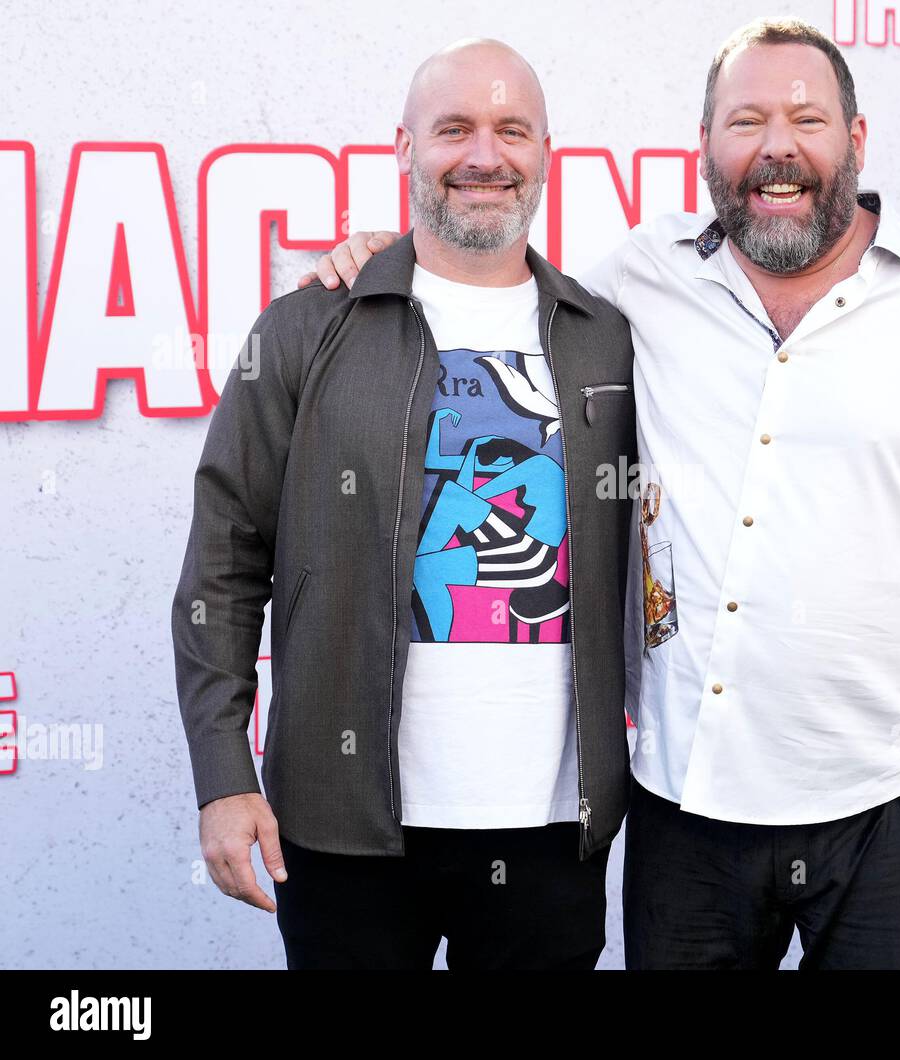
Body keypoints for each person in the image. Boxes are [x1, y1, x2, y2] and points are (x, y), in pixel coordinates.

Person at [305, 17, 900, 970]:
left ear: (855, 142)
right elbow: (494, 289)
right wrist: (389, 258)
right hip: (686, 803)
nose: (776, 145)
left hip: (894, 800)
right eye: (746, 121)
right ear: (706, 150)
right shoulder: (638, 280)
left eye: (806, 118)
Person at [172, 38, 637, 969]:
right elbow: (223, 565)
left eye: (511, 130)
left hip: (550, 829)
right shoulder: (309, 326)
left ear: (547, 152)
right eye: (453, 129)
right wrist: (224, 775)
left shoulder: (609, 339)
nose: (483, 156)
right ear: (403, 148)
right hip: (343, 828)